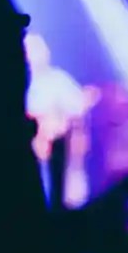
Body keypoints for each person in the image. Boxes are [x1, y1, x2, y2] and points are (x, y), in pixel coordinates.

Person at [25, 33, 96, 207]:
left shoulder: (57, 79)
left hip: (56, 149)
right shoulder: (17, 82)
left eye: (40, 49)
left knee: (58, 189)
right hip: (26, 149)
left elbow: (77, 105)